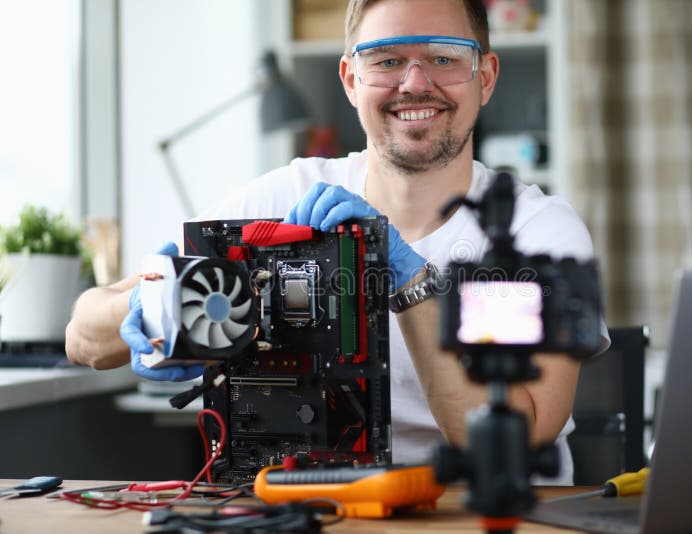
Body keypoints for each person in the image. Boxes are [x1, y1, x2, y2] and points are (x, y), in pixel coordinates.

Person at [65, 0, 608, 484]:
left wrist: (411, 282)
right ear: (350, 79)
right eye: (386, 60)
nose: (415, 82)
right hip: (311, 508)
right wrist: (151, 310)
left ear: (485, 76)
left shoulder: (525, 234)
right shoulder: (286, 197)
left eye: (444, 57)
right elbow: (81, 335)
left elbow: (514, 443)